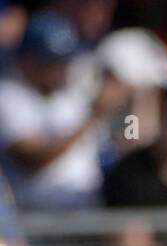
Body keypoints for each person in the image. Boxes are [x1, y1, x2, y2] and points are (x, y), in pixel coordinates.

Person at [0, 10, 125, 211]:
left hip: (87, 211)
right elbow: (35, 158)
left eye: (63, 61)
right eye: (51, 61)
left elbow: (125, 135)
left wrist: (130, 109)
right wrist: (94, 115)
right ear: (28, 60)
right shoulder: (8, 97)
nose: (60, 68)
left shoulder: (72, 97)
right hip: (38, 221)